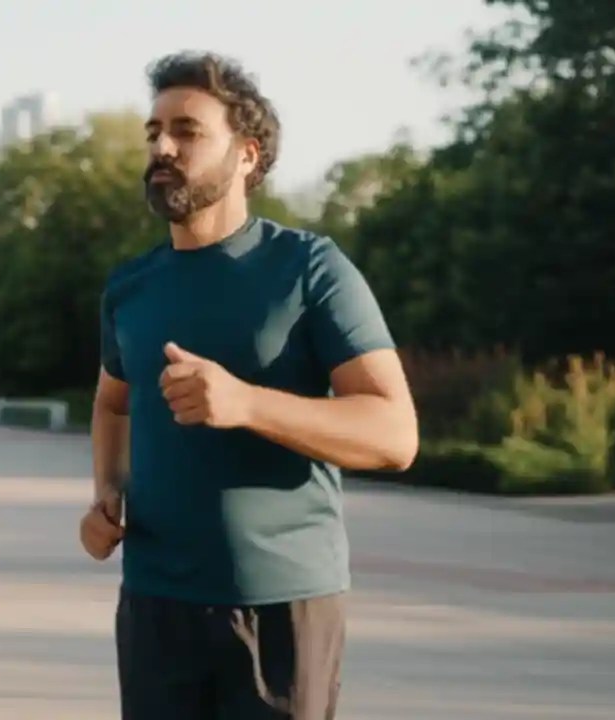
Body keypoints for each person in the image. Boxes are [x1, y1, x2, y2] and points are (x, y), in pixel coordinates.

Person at [81, 51, 419, 719]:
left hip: (282, 608)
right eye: (153, 133)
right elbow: (113, 403)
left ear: (247, 155)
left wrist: (245, 403)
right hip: (154, 605)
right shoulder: (130, 287)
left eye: (188, 130)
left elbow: (395, 434)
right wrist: (106, 494)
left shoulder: (310, 269)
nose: (163, 147)